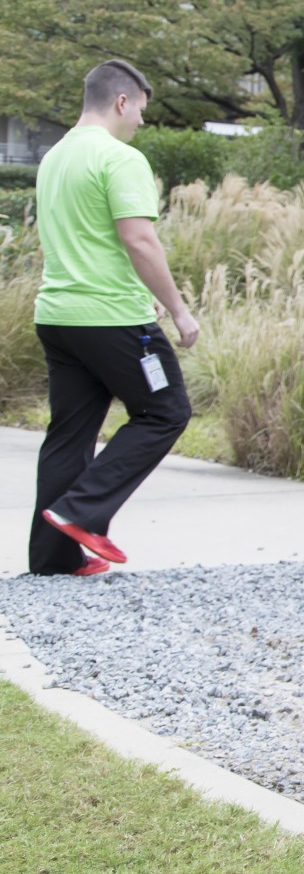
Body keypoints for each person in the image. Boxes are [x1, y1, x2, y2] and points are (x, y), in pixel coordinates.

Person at [30, 59, 199, 578]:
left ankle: (53, 560)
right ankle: (83, 513)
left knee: (70, 433)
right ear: (122, 101)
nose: (142, 123)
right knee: (165, 411)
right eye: (141, 110)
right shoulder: (120, 158)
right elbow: (138, 239)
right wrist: (177, 308)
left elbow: (84, 239)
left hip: (58, 316)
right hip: (111, 319)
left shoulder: (54, 157)